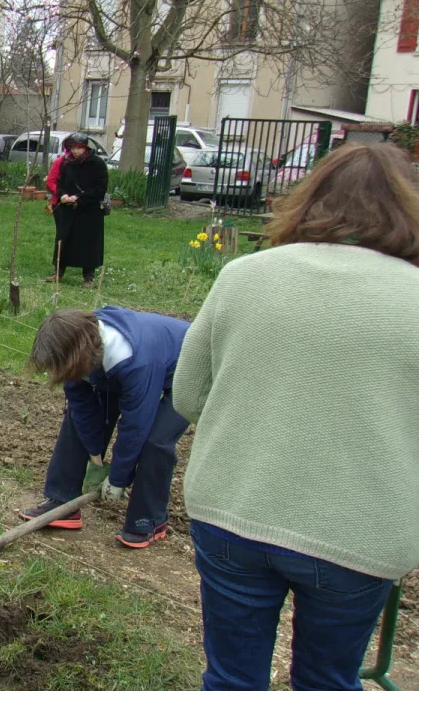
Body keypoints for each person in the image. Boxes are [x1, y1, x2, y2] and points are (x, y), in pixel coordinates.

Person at [172, 142, 418, 691]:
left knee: (233, 679)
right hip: (360, 535)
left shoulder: (245, 275)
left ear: (310, 198)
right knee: (328, 680)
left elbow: (188, 395)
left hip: (234, 509)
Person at [20, 306, 190, 548]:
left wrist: (118, 479)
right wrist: (95, 456)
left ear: (79, 354)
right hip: (123, 368)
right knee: (76, 419)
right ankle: (63, 502)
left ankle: (148, 520)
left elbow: (135, 426)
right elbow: (81, 406)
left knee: (155, 441)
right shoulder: (81, 347)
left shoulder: (135, 360)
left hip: (187, 369)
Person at [47, 132, 107, 287]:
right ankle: (58, 272)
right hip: (68, 209)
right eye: (72, 147)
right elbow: (60, 184)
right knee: (63, 240)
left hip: (89, 210)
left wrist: (79, 198)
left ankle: (88, 277)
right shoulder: (67, 164)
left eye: (78, 148)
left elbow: (100, 188)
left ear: (85, 148)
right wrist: (63, 195)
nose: (75, 151)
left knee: (88, 243)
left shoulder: (98, 164)